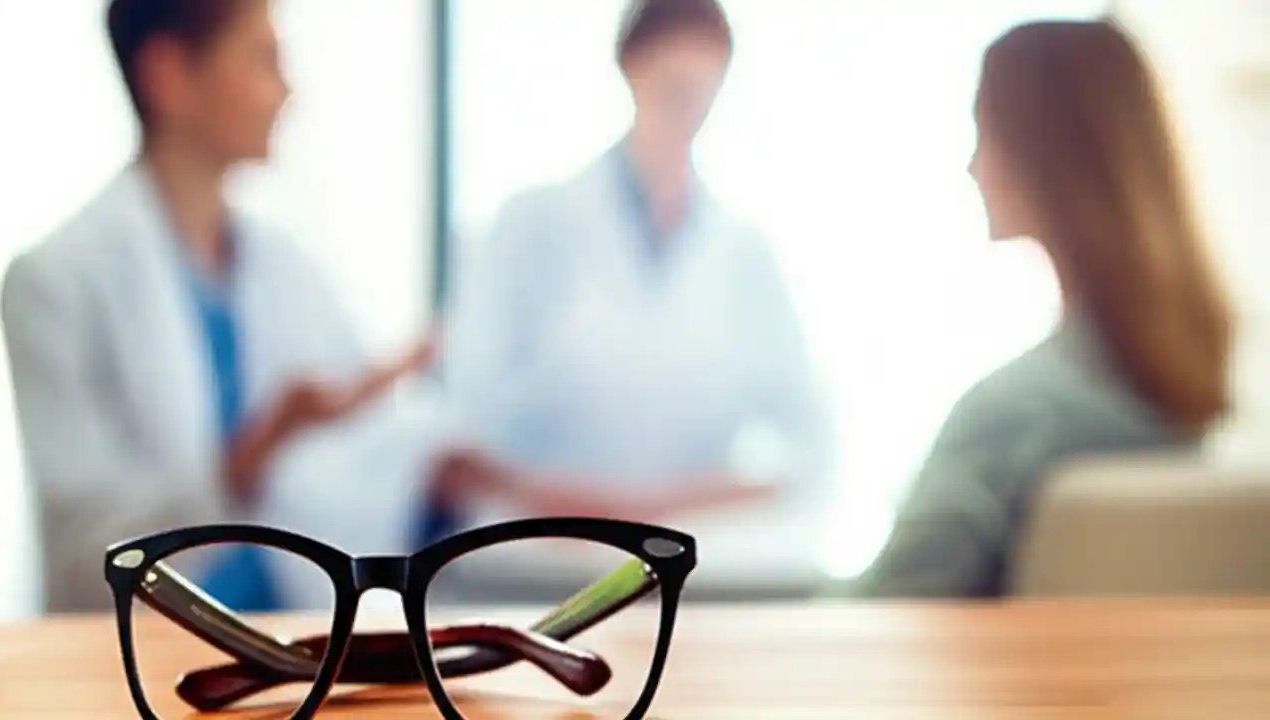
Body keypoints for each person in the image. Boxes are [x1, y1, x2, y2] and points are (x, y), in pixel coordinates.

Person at [0, 0, 456, 611]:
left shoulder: (285, 266)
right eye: (263, 59)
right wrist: (256, 451)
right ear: (169, 75)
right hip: (128, 651)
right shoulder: (54, 281)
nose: (286, 91)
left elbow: (374, 461)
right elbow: (84, 548)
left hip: (292, 638)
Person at [444, 0, 833, 589]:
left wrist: (672, 505)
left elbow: (811, 441)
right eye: (672, 65)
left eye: (704, 72)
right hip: (536, 570)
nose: (689, 90)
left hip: (694, 570)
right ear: (630, 64)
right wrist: (571, 502)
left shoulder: (743, 251)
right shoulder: (533, 223)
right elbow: (459, 423)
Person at [855, 20, 1232, 597]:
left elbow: (885, 607)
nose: (973, 167)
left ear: (1045, 154)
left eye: (985, 134)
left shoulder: (1019, 412)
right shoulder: (1179, 391)